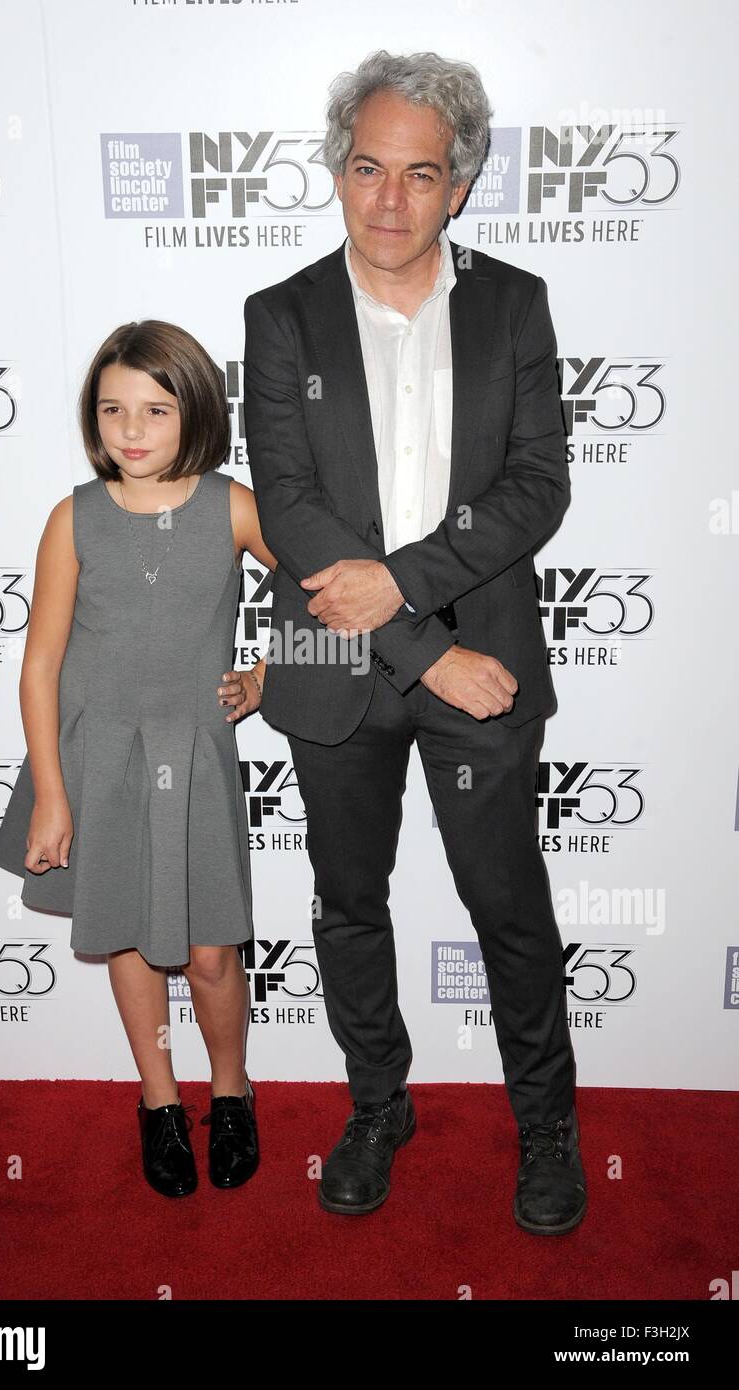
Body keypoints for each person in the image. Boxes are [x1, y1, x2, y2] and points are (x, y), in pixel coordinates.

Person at [242, 50, 586, 1234]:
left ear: (458, 186)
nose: (387, 200)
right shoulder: (279, 314)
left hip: (477, 658)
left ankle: (544, 1125)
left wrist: (405, 601)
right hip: (340, 663)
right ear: (338, 171)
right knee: (347, 902)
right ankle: (376, 1104)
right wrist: (420, 645)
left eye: (419, 174)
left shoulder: (513, 301)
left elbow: (538, 488)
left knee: (508, 906)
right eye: (366, 168)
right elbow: (287, 506)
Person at [0, 319, 277, 1199]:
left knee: (209, 954)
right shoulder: (70, 517)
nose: (132, 429)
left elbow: (327, 600)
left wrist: (270, 675)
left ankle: (231, 1091)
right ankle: (158, 1101)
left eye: (154, 409)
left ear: (194, 410)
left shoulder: (234, 506)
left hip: (192, 755)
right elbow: (40, 661)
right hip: (96, 755)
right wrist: (49, 792)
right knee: (123, 934)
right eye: (112, 409)